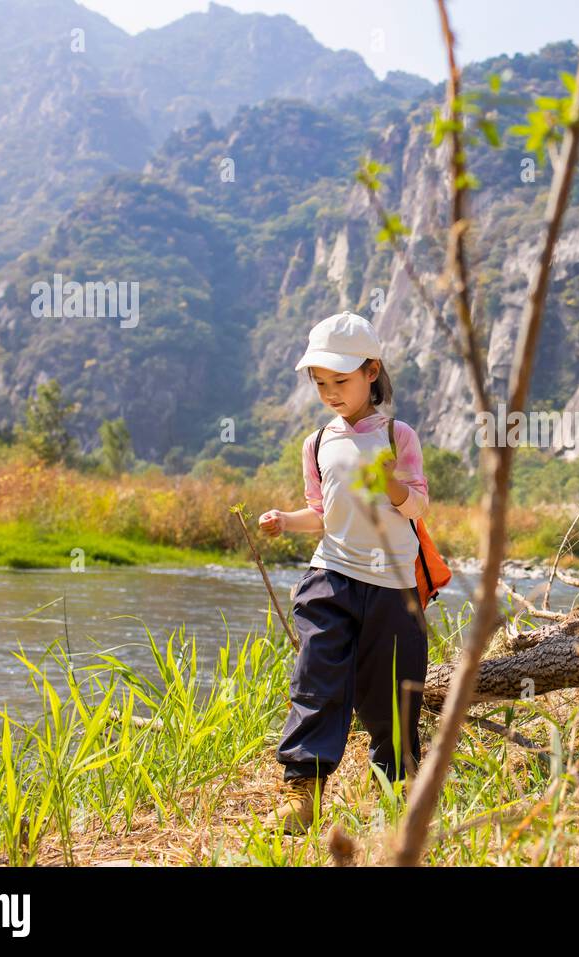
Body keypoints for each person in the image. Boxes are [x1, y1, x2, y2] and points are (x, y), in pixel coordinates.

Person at [257, 311, 431, 834]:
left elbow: (417, 507)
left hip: (393, 586)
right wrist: (287, 520)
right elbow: (323, 511)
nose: (330, 392)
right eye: (321, 383)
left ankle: (396, 792)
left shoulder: (400, 436)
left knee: (392, 693)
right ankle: (301, 793)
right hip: (329, 575)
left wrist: (391, 486)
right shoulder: (316, 442)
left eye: (341, 380)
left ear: (371, 372)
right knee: (317, 678)